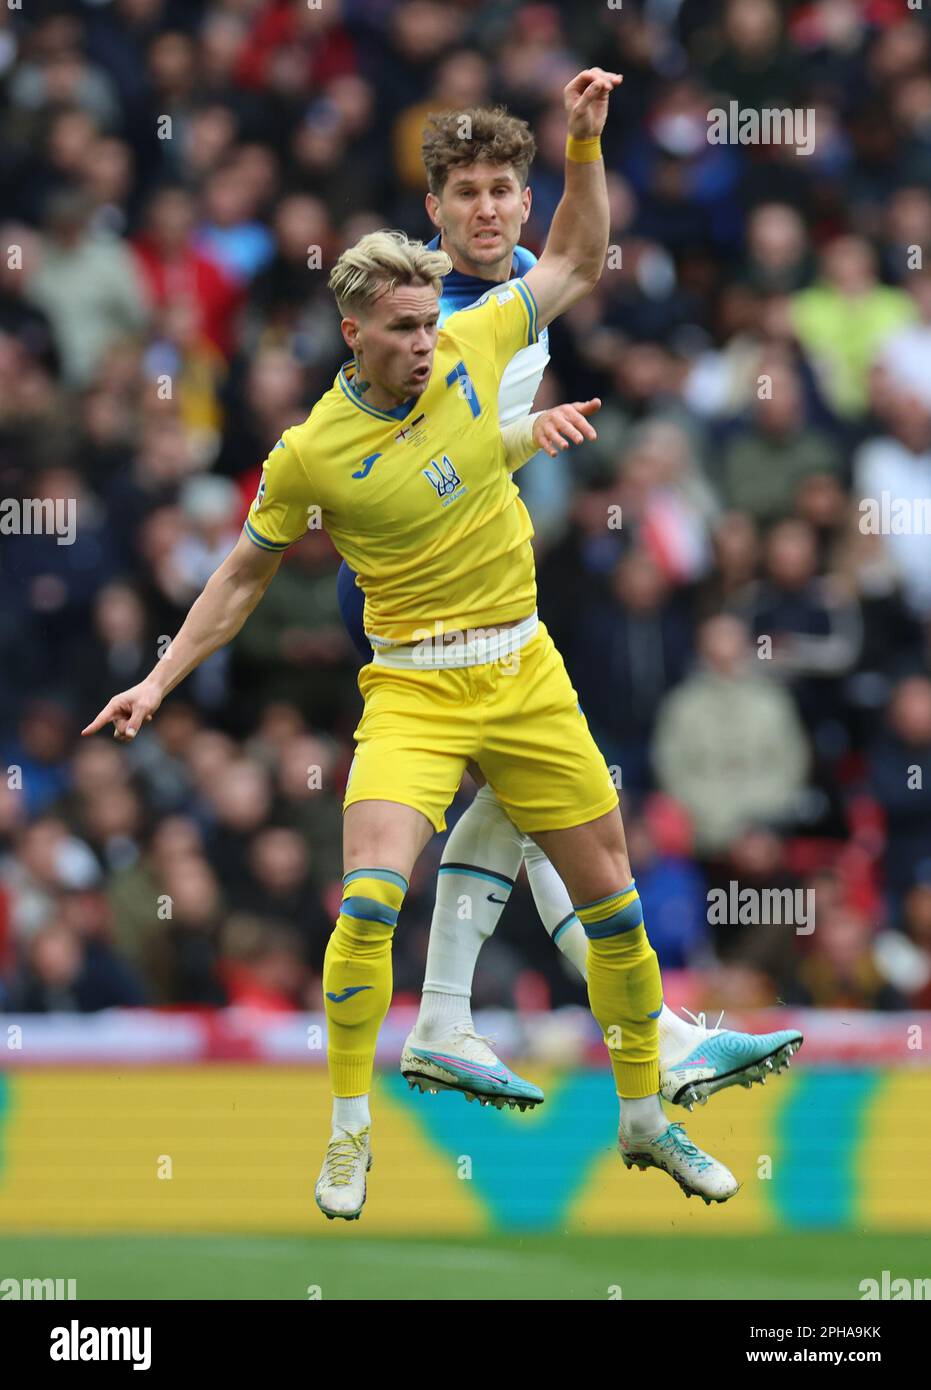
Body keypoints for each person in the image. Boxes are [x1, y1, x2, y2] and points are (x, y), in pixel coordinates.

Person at [84, 70, 796, 1222]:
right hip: (411, 687)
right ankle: (353, 1129)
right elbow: (241, 573)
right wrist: (162, 676)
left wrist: (582, 144)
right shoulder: (308, 452)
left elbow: (571, 263)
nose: (428, 343)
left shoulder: (476, 334)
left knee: (611, 899)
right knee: (367, 902)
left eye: (433, 324)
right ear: (355, 329)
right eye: (406, 329)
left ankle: (641, 1113)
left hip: (521, 662)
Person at [336, 100, 803, 1124]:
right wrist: (507, 443)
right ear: (435, 207)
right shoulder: (436, 316)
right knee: (539, 812)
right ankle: (504, 1024)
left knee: (537, 816)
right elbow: (380, 451)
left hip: (478, 582)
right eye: (467, 193)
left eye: (504, 189)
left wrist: (586, 141)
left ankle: (510, 1025)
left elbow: (583, 254)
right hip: (416, 600)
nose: (489, 207)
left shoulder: (503, 285)